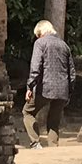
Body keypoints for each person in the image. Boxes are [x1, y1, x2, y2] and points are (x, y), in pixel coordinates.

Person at [24, 18, 72, 146]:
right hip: (62, 89)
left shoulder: (40, 43)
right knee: (54, 120)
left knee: (27, 112)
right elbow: (71, 73)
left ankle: (35, 142)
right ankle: (53, 147)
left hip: (45, 87)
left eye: (38, 35)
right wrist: (69, 92)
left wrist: (30, 87)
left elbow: (35, 68)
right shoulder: (64, 45)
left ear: (41, 32)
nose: (37, 37)